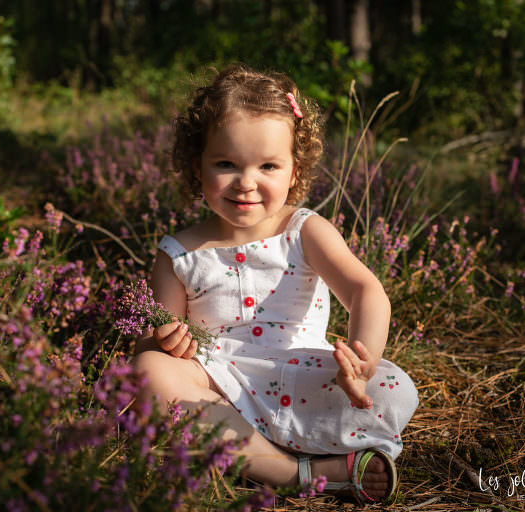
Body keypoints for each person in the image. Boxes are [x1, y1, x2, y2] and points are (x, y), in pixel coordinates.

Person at [132, 64, 418, 503]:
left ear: (295, 170)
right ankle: (298, 472)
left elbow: (365, 290)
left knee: (393, 387)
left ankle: (268, 455)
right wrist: (167, 340)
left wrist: (363, 360)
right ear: (197, 165)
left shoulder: (303, 230)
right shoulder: (178, 252)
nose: (247, 182)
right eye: (226, 164)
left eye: (268, 165)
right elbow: (155, 336)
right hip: (218, 384)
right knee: (151, 373)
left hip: (301, 374)